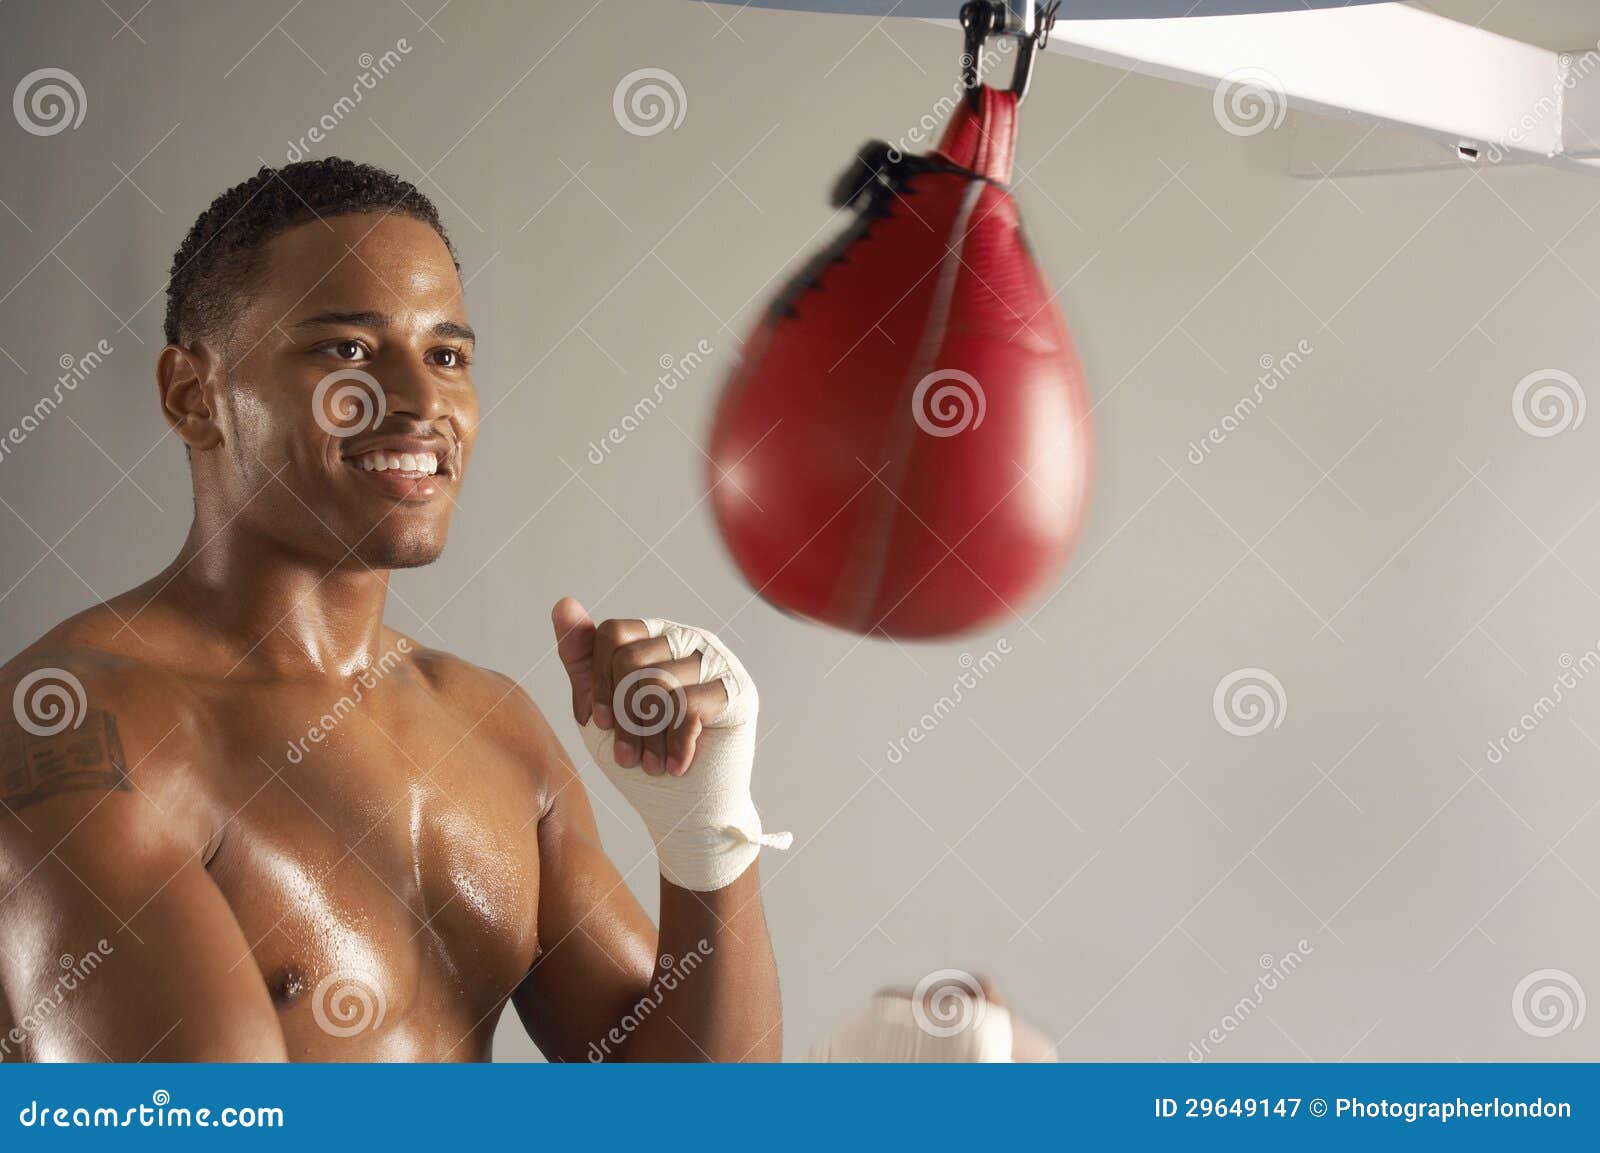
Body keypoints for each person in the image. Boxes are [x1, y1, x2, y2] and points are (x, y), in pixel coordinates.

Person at [0, 159, 786, 1062]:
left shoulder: (491, 727)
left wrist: (707, 828)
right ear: (192, 395)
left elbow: (700, 1119)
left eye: (447, 356)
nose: (421, 403)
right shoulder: (79, 733)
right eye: (346, 350)